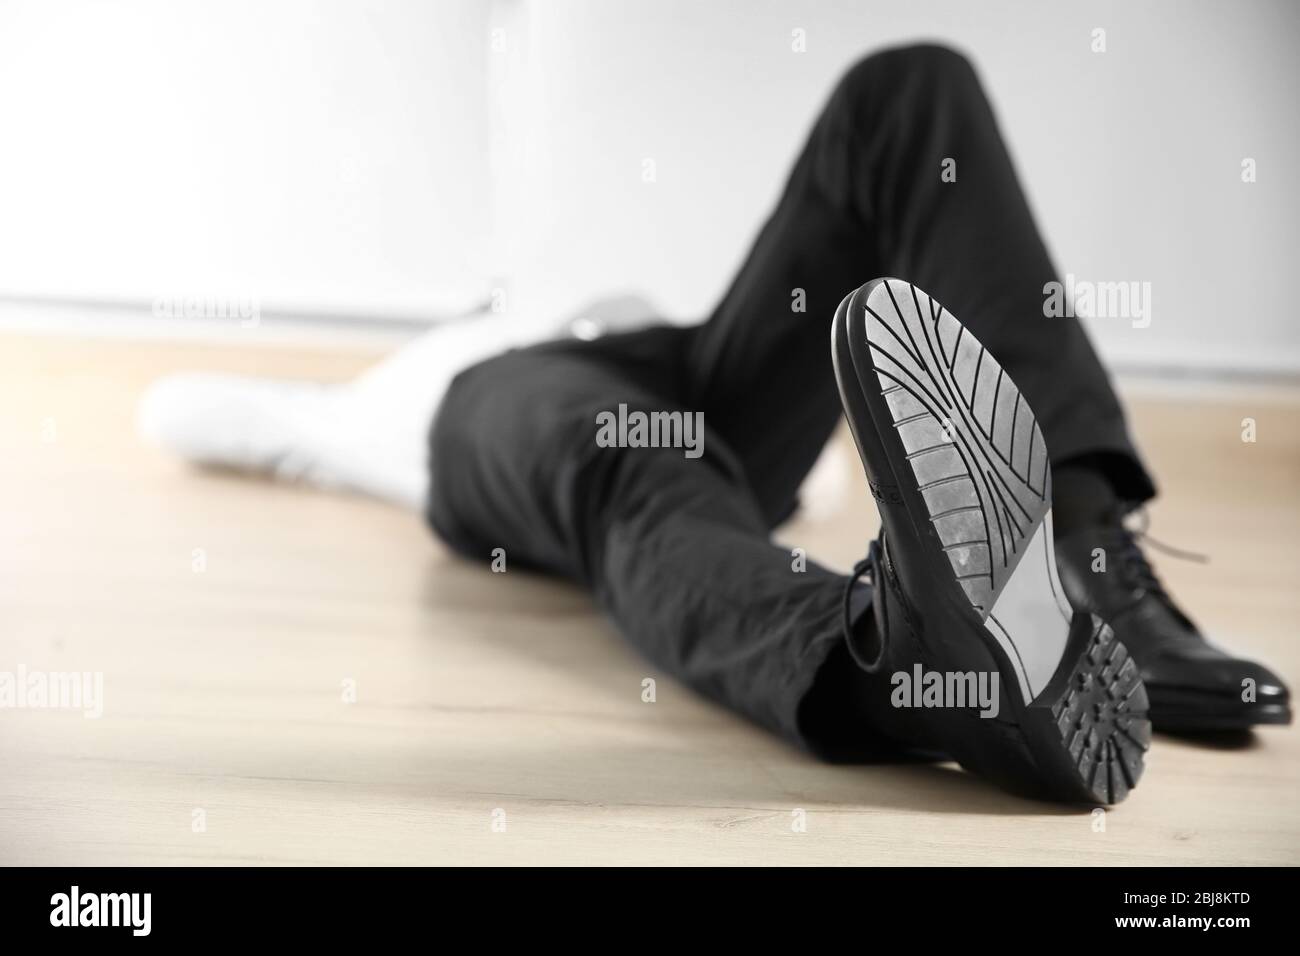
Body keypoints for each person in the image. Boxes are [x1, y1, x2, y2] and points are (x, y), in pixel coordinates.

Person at [139, 44, 1290, 803]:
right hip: (521, 416)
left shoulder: (625, 319)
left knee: (909, 90)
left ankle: (1082, 546)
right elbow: (193, 412)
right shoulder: (429, 376)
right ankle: (890, 659)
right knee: (644, 465)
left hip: (701, 386)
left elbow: (825, 471)